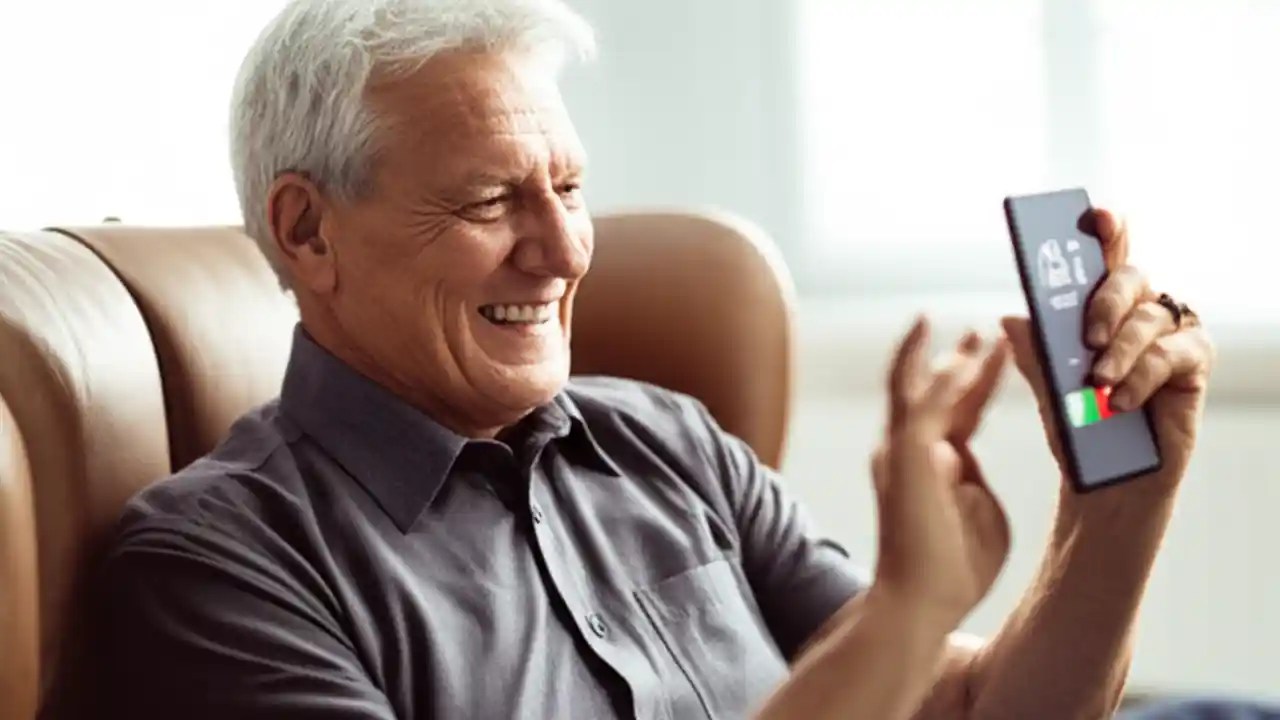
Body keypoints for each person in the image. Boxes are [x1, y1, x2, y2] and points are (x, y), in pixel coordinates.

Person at [85, 0, 1217, 718]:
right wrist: (902, 613)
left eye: (568, 187)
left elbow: (974, 710)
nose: (566, 249)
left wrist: (1115, 507)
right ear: (306, 231)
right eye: (490, 199)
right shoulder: (217, 566)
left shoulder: (665, 439)